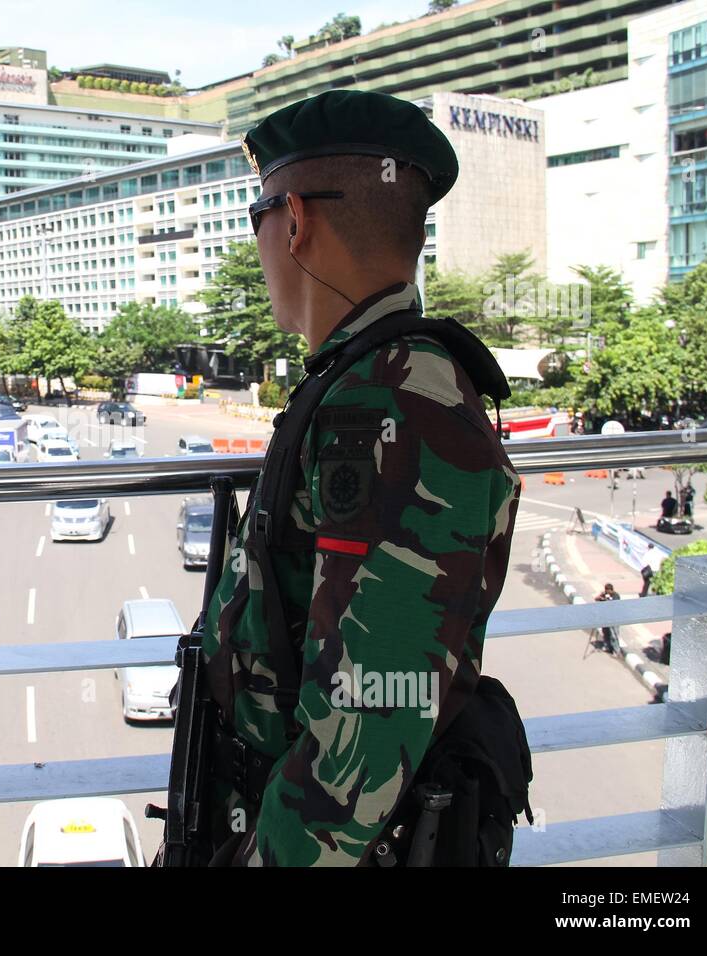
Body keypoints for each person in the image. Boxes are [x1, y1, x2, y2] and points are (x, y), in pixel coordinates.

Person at [197, 90, 523, 866]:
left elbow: (374, 717)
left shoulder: (389, 400)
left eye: (257, 217)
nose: (261, 241)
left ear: (297, 221)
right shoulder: (368, 380)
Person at [594, 583, 621, 653]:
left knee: (614, 634)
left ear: (611, 590)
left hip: (614, 618)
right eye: (606, 590)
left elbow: (614, 605)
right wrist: (601, 596)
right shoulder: (604, 594)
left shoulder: (616, 596)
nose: (607, 592)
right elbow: (596, 599)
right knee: (605, 632)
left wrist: (607, 600)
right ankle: (607, 646)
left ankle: (616, 650)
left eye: (608, 590)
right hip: (605, 617)